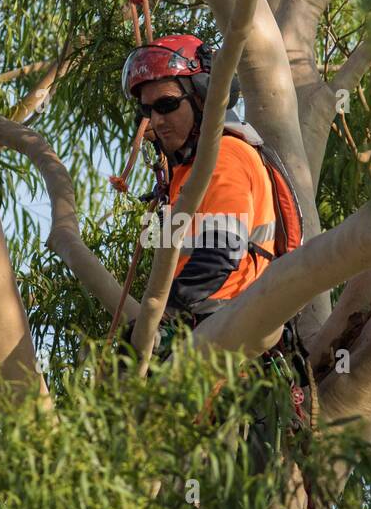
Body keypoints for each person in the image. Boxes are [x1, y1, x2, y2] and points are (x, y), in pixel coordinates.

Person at [120, 33, 295, 328]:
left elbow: (220, 253)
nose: (157, 121)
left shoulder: (225, 154)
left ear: (203, 98)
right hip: (207, 334)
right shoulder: (184, 173)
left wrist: (161, 321)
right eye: (147, 110)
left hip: (232, 338)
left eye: (166, 105)